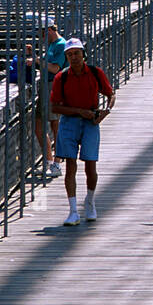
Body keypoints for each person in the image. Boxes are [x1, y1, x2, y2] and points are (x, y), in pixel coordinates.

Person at [51, 38, 115, 226]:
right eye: (70, 55)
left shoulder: (95, 73)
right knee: (70, 165)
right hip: (70, 122)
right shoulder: (61, 78)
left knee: (90, 164)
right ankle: (72, 211)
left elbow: (110, 94)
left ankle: (90, 202)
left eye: (77, 53)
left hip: (90, 122)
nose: (74, 57)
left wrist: (105, 112)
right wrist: (79, 111)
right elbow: (55, 107)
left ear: (83, 54)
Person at [39, 20, 67, 179]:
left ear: (49, 30)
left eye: (43, 33)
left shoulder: (60, 44)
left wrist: (37, 61)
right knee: (41, 125)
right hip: (45, 85)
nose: (42, 36)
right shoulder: (51, 44)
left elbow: (55, 68)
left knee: (56, 125)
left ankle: (57, 163)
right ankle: (50, 161)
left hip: (53, 86)